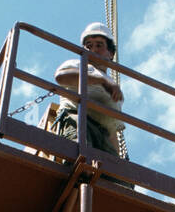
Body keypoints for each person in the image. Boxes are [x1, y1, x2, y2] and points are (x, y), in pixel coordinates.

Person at [51, 22, 126, 157]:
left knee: (112, 172)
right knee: (80, 156)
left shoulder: (113, 86)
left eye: (99, 45)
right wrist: (101, 80)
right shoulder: (77, 65)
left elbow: (112, 130)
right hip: (77, 120)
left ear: (111, 53)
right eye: (89, 46)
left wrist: (118, 160)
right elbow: (61, 77)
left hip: (103, 135)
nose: (93, 50)